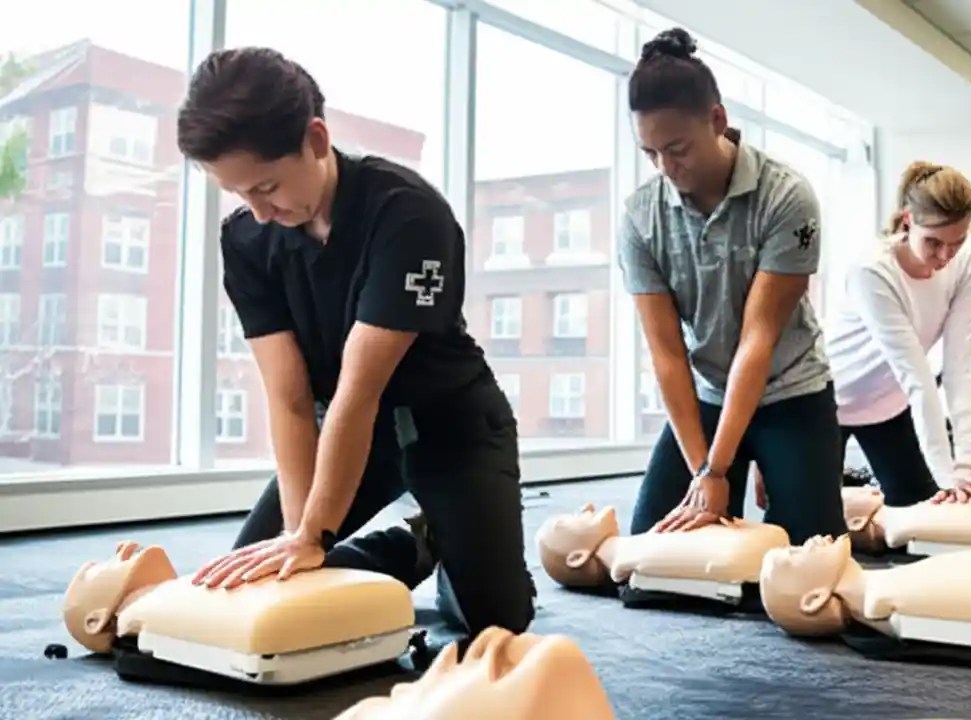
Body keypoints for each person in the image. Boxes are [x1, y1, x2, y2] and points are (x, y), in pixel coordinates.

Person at [174, 47, 534, 640]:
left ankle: (444, 537)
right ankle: (410, 548)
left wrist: (318, 535)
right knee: (257, 582)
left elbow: (358, 392)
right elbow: (291, 399)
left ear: (316, 138)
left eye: (267, 187)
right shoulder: (245, 240)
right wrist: (298, 538)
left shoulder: (408, 215)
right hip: (340, 429)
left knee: (496, 623)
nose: (260, 213)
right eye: (241, 196)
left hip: (449, 423)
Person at [617, 28, 846, 545]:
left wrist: (720, 472)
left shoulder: (787, 197)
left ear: (717, 120)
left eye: (677, 149)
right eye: (650, 153)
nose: (665, 168)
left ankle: (778, 468)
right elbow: (668, 356)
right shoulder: (639, 216)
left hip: (790, 390)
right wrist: (704, 471)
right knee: (651, 563)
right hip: (708, 393)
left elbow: (758, 340)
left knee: (812, 560)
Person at [824, 161, 971, 508]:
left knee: (922, 510)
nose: (945, 255)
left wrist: (966, 467)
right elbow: (916, 377)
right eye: (933, 241)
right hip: (825, 400)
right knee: (809, 525)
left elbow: (959, 368)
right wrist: (948, 479)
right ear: (907, 220)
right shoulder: (871, 270)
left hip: (888, 403)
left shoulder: (970, 262)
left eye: (957, 242)